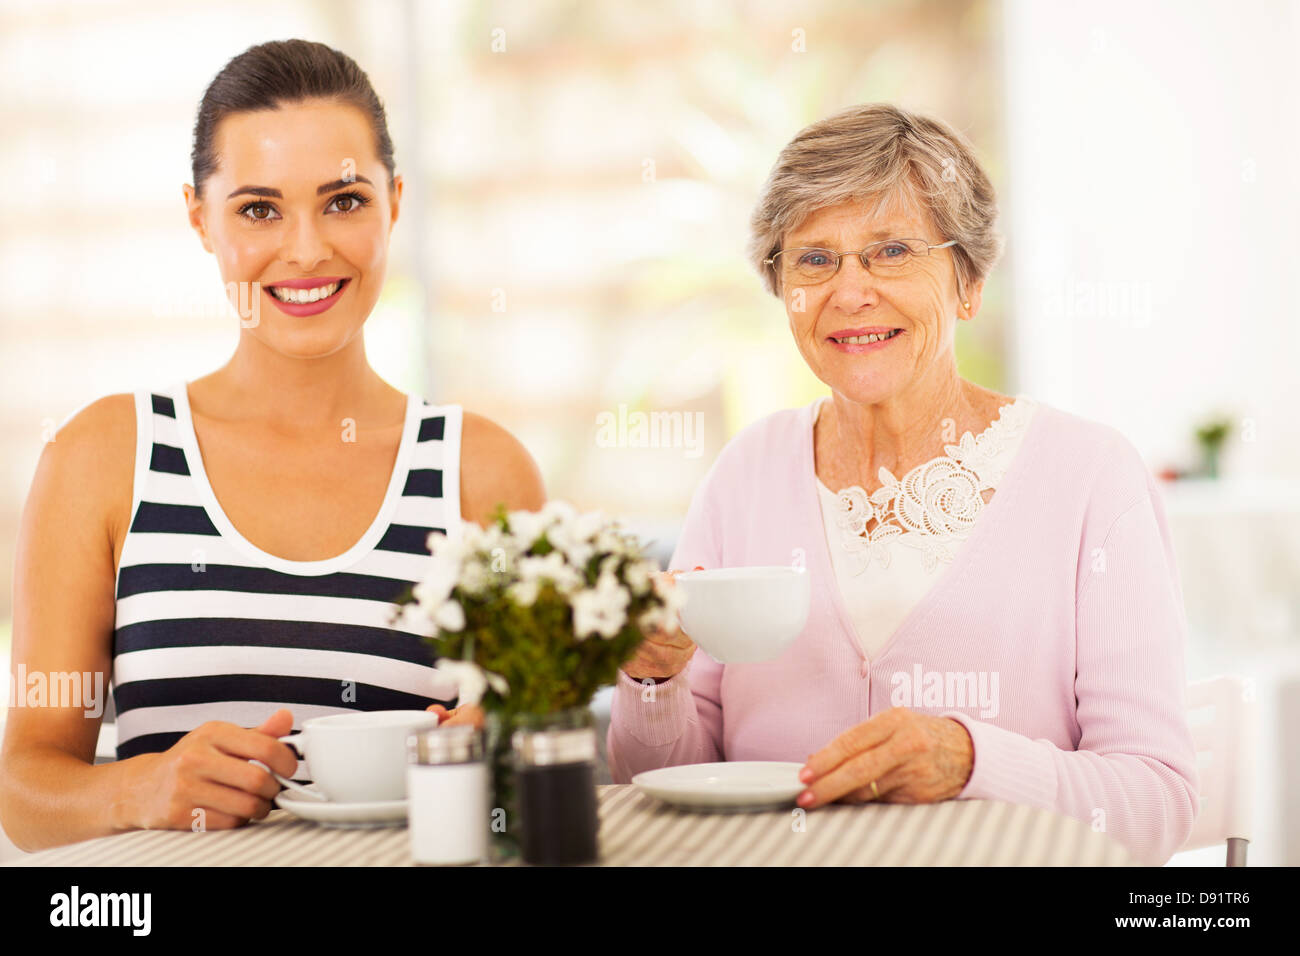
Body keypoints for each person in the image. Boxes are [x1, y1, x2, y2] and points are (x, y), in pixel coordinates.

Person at [608, 103, 1198, 866]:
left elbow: (1156, 802)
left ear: (969, 282)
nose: (849, 293)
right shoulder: (744, 473)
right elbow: (667, 789)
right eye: (814, 261)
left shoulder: (1090, 478)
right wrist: (651, 680)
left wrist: (972, 762)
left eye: (891, 251)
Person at [0, 39, 542, 852]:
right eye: (259, 209)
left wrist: (504, 741)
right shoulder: (103, 457)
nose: (306, 250)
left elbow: (534, 763)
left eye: (344, 201)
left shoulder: (481, 472)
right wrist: (136, 786)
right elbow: (26, 788)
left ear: (394, 202)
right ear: (199, 219)